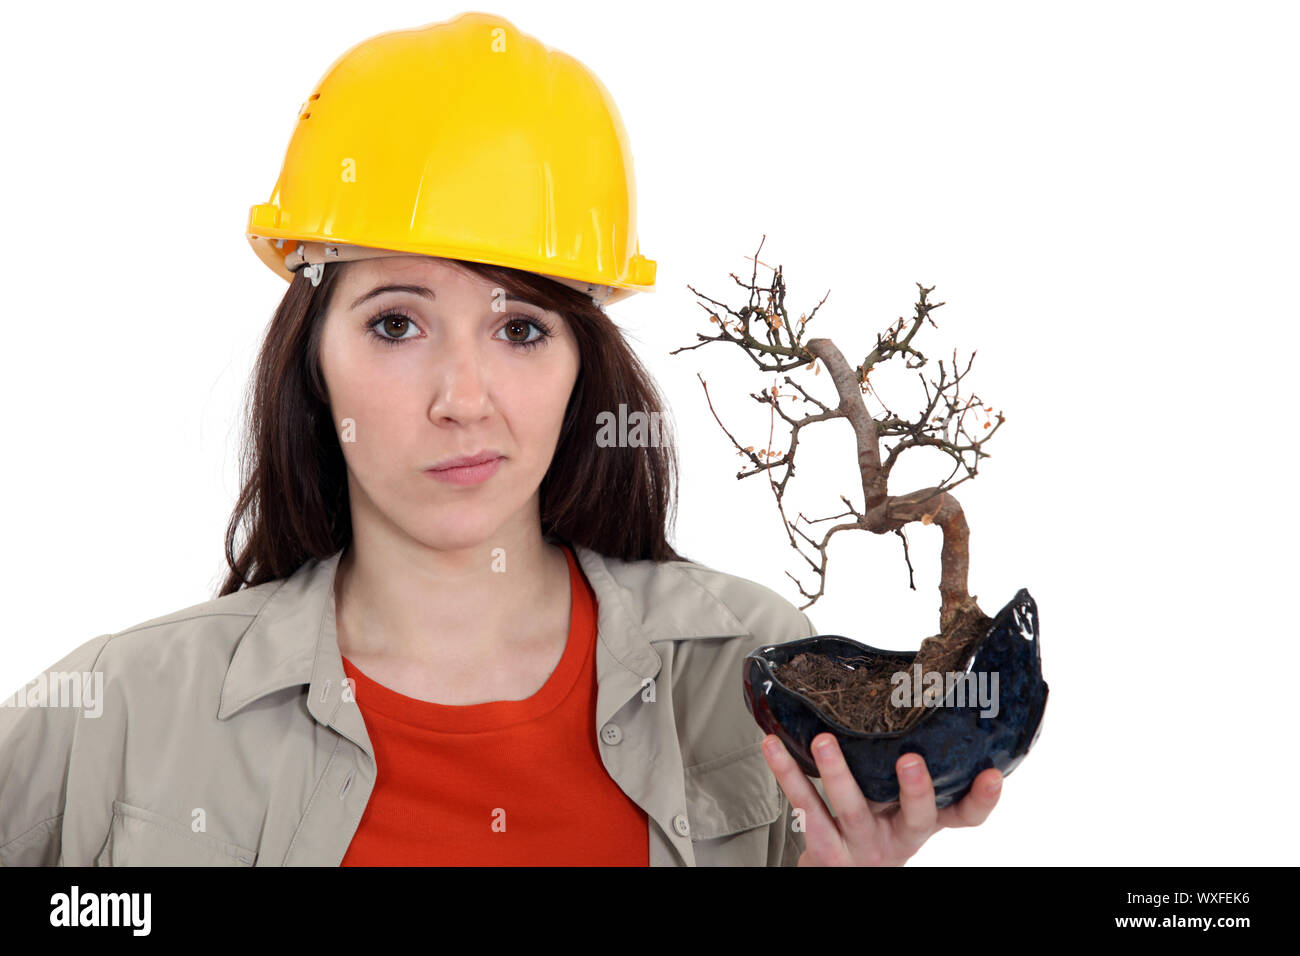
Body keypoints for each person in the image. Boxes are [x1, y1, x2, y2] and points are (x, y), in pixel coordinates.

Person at [0, 12, 1001, 867]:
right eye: (396, 322)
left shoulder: (744, 669)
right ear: (313, 356)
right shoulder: (121, 711)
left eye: (521, 328)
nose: (462, 398)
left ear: (582, 367)